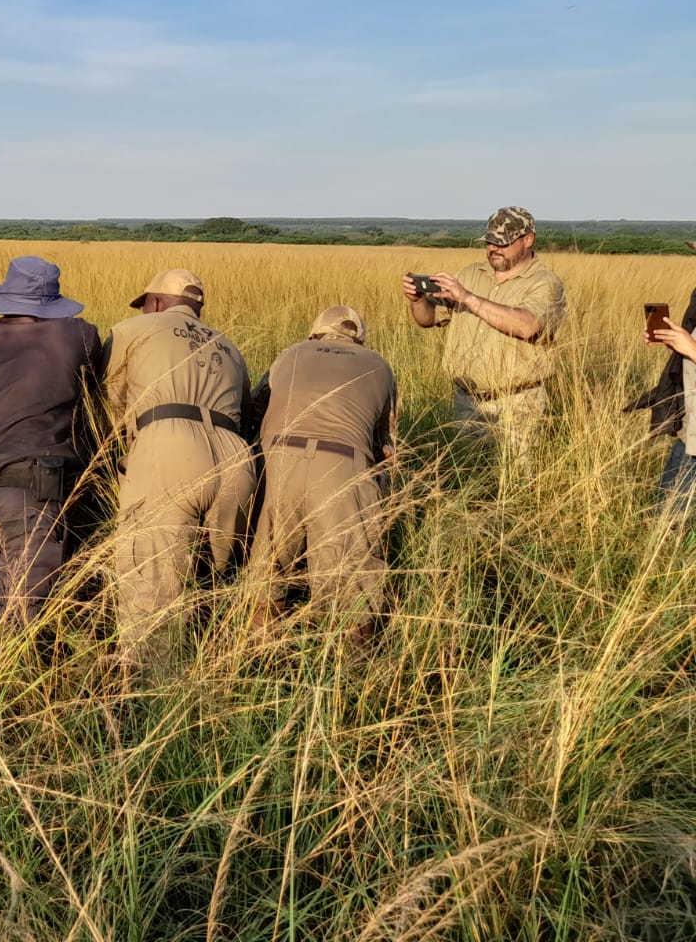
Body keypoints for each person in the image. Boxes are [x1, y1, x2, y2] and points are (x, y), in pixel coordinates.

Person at [103, 269, 255, 661]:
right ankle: (213, 666)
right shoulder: (229, 347)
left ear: (153, 302)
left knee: (149, 581)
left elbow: (108, 400)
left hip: (168, 443)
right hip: (235, 456)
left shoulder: (135, 327)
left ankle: (150, 694)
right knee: (212, 582)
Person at [0, 256, 104, 629]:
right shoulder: (78, 334)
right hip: (29, 489)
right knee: (23, 619)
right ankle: (6, 681)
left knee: (8, 586)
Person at [244, 307, 397, 644]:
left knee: (269, 574)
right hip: (343, 467)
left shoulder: (290, 354)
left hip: (281, 462)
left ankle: (259, 656)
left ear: (314, 335)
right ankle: (354, 672)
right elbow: (387, 450)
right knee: (353, 586)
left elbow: (253, 412)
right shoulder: (379, 366)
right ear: (358, 339)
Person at [401, 206, 566, 456]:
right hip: (466, 402)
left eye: (503, 242)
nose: (493, 249)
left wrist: (467, 298)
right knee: (468, 474)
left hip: (518, 404)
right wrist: (417, 300)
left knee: (514, 482)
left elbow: (528, 325)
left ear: (528, 240)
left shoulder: (545, 282)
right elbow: (428, 319)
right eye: (489, 242)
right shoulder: (469, 274)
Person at [627, 283, 696, 514]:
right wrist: (674, 344)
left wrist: (692, 348)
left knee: (670, 519)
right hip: (690, 430)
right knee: (663, 513)